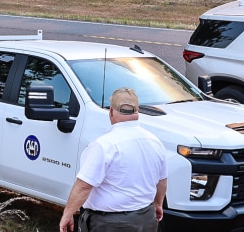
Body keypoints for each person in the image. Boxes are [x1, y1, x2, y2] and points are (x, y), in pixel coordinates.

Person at [59, 87, 168, 232]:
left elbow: (84, 185)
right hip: (146, 219)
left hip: (111, 224)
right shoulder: (155, 142)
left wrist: (67, 213)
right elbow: (162, 180)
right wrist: (158, 204)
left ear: (111, 111)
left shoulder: (104, 145)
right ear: (138, 111)